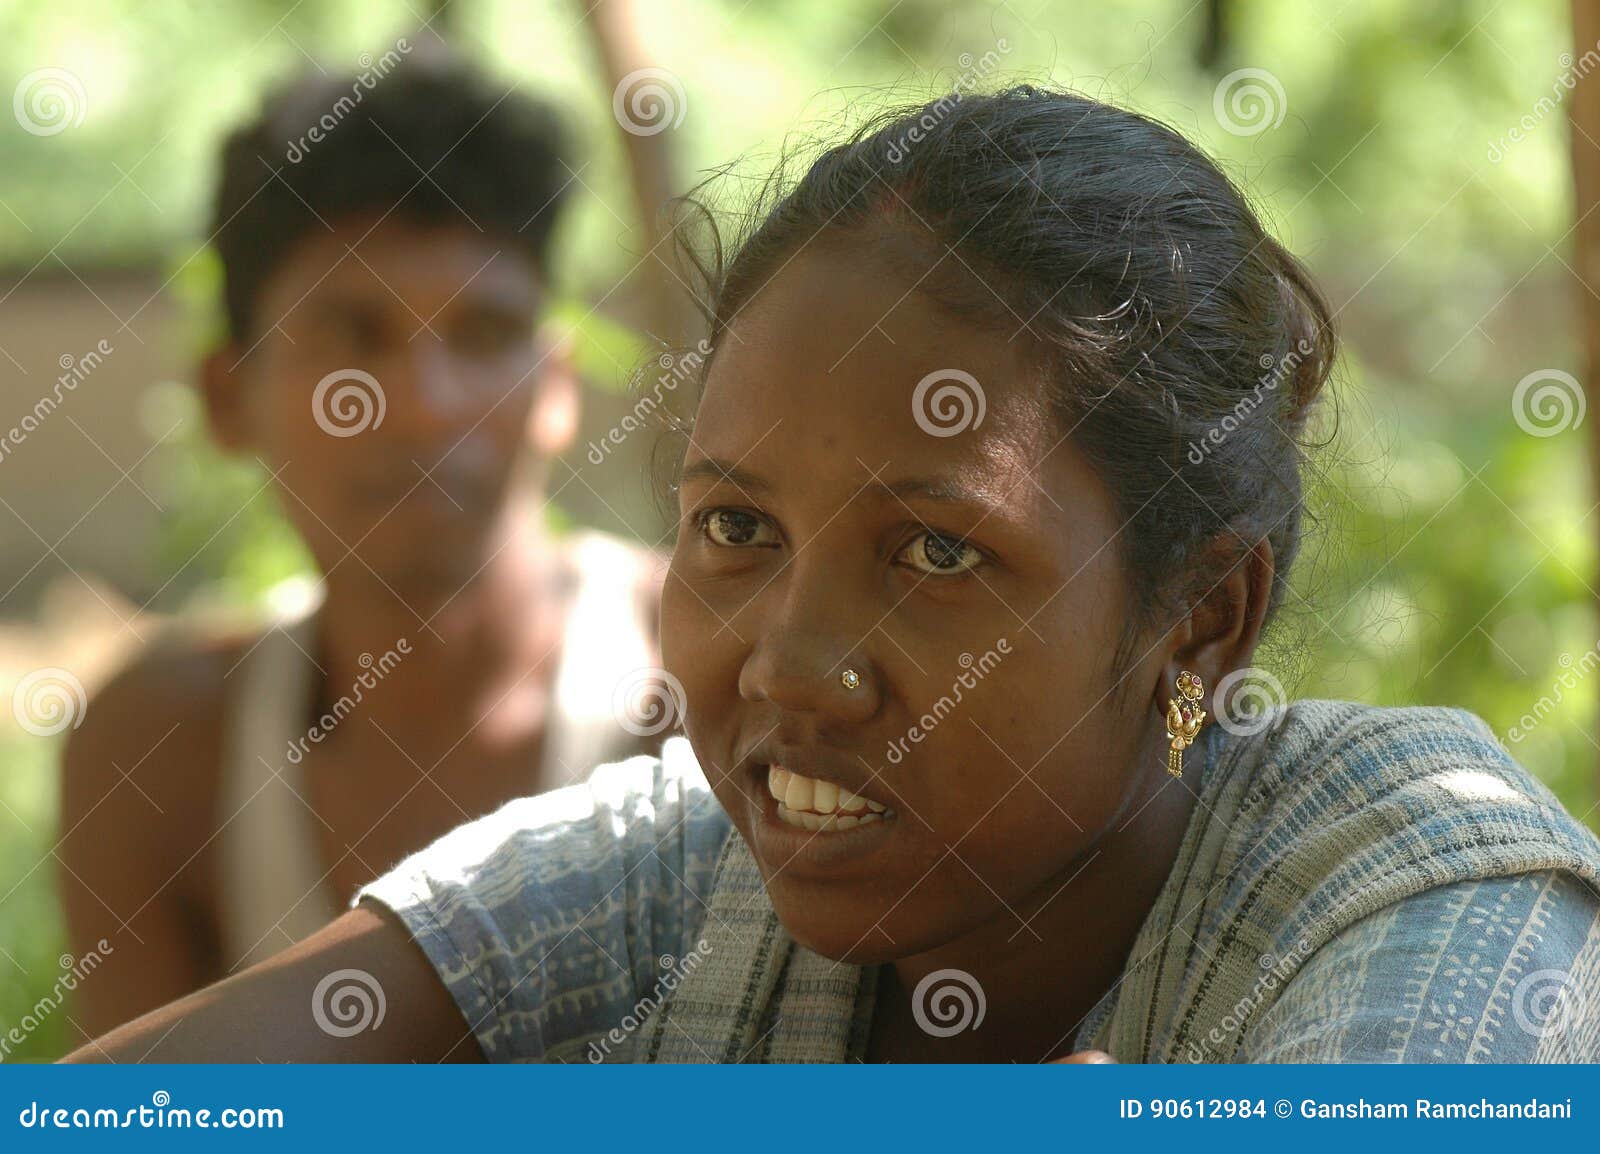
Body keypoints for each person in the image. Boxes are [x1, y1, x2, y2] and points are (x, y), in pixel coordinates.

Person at [66, 85, 1600, 1064]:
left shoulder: (1425, 912)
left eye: (938, 549)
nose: (793, 663)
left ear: (1199, 620)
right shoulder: (684, 865)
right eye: (736, 527)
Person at [57, 59, 665, 1039]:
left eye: (485, 331)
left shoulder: (715, 680)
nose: (426, 402)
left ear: (556, 387)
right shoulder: (159, 752)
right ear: (226, 396)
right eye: (353, 333)